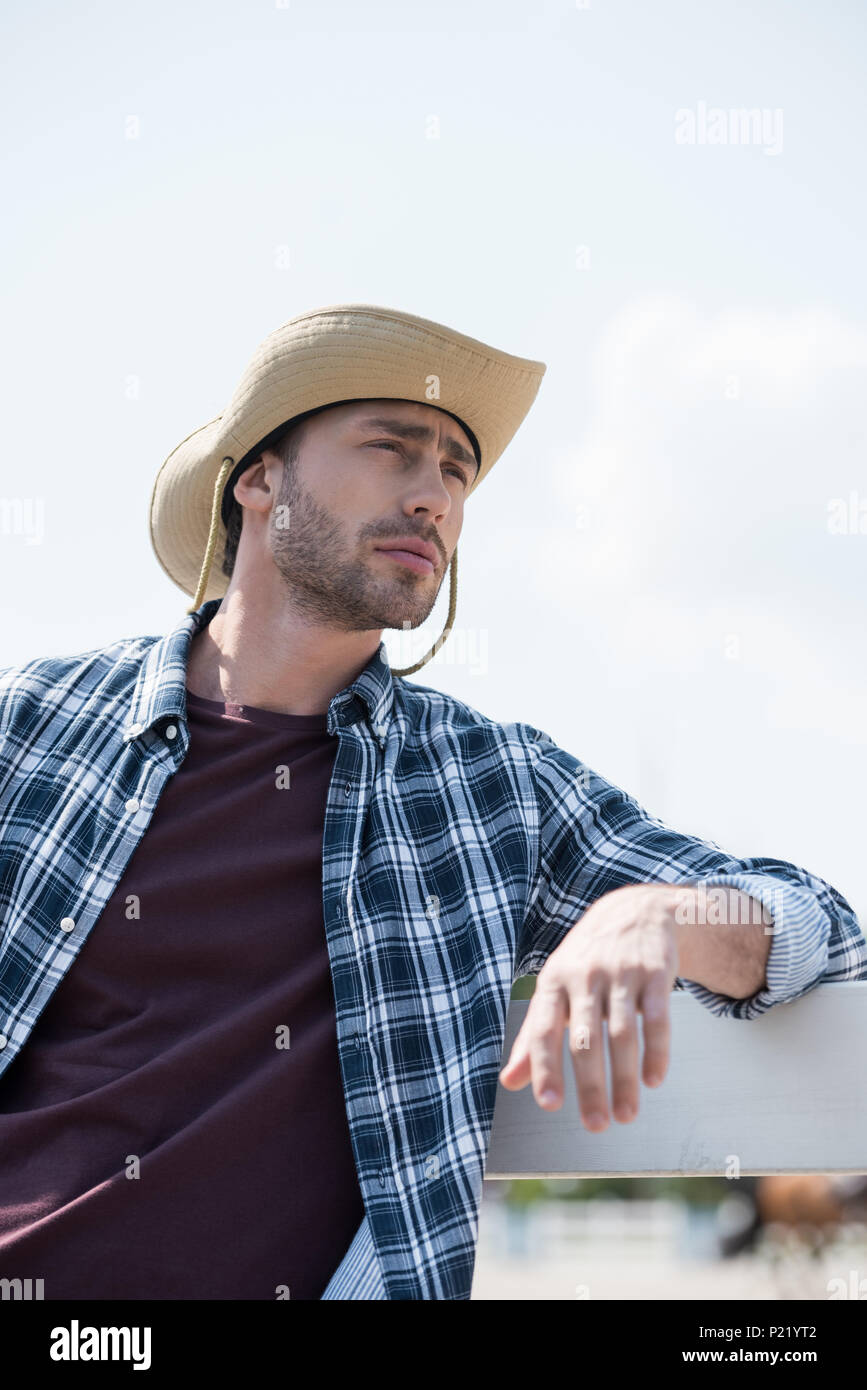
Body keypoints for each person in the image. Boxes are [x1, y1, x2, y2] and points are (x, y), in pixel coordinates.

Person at [0, 303, 863, 1301]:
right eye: (393, 450)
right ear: (259, 478)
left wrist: (658, 913)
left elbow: (829, 930)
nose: (435, 498)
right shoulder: (35, 726)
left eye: (456, 470)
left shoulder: (492, 785)